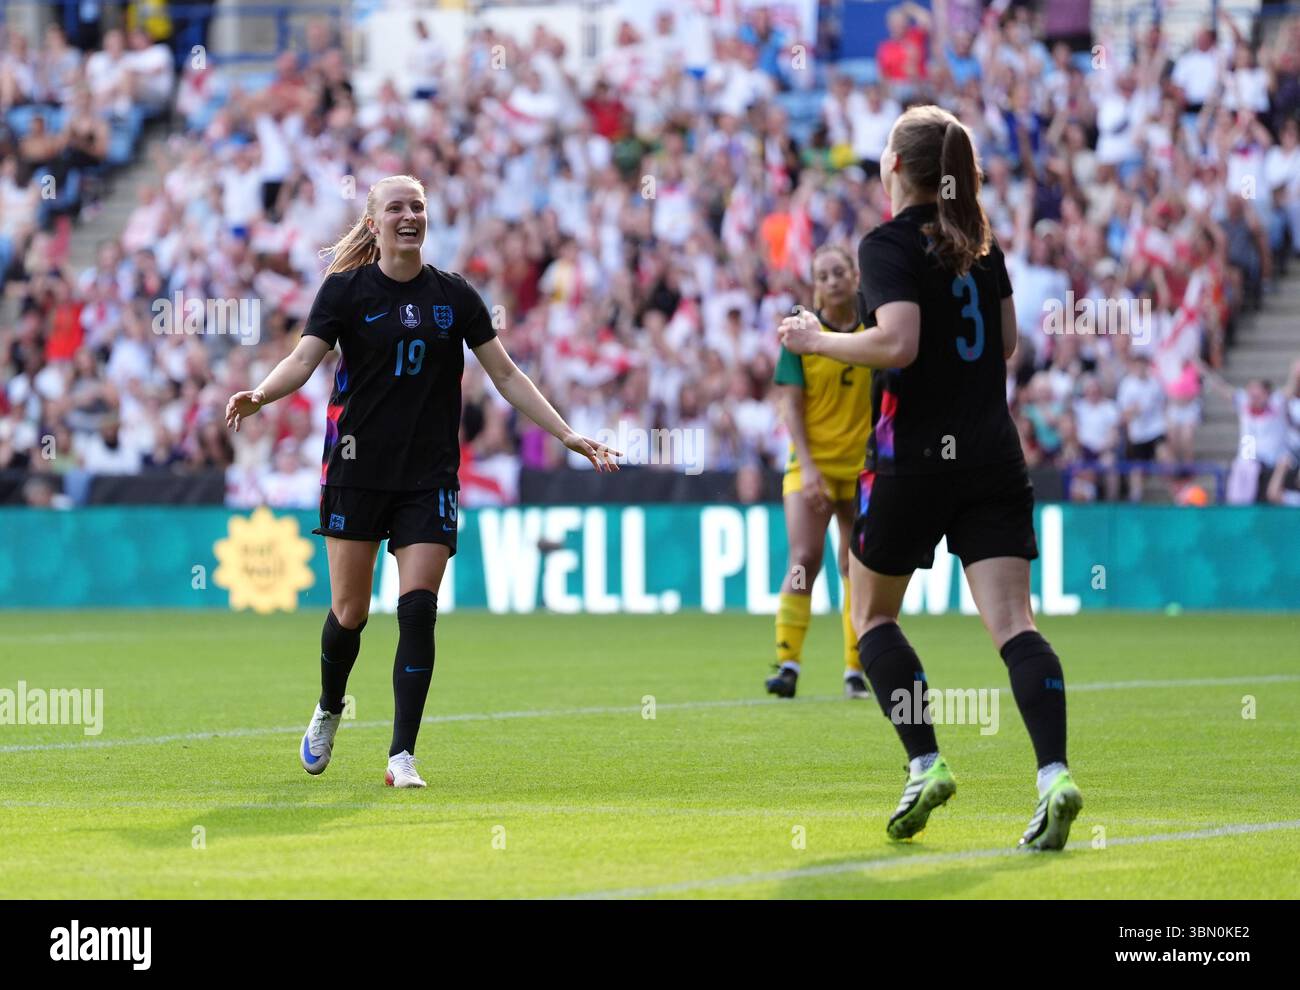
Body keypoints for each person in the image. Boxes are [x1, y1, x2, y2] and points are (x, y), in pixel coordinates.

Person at [225, 174, 619, 788]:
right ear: (375, 222)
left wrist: (567, 433)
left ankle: (401, 755)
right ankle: (330, 709)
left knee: (418, 610)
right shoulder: (345, 291)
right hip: (354, 470)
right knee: (350, 613)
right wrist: (260, 395)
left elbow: (507, 375)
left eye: (418, 206)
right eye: (397, 208)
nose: (409, 216)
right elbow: (305, 360)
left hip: (429, 475)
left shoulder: (456, 297)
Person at [779, 106, 1082, 851]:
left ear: (897, 169)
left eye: (883, 152)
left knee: (871, 615)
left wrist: (818, 338)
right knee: (1016, 625)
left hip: (914, 458)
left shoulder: (886, 243)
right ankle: (1054, 777)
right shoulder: (983, 243)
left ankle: (925, 762)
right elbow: (1006, 342)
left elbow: (901, 342)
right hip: (992, 453)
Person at [766, 245, 874, 700]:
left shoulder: (879, 325)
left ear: (854, 275)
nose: (832, 281)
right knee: (805, 558)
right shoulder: (799, 335)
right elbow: (789, 404)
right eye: (822, 275)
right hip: (812, 464)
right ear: (815, 284)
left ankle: (855, 669)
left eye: (839, 272)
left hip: (863, 466)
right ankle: (787, 662)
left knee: (857, 565)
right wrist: (808, 468)